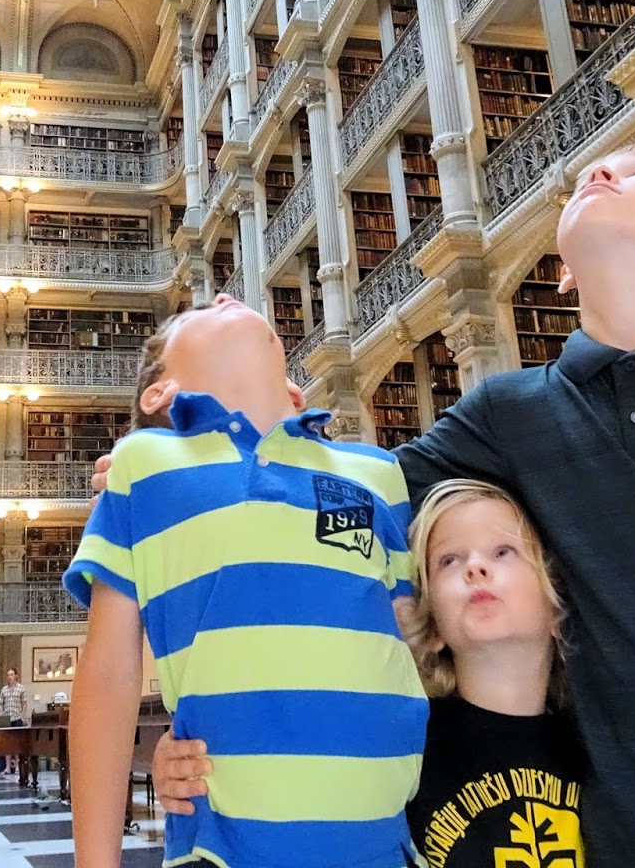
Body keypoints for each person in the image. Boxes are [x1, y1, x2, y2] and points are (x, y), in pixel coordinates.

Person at [98, 145, 635, 868]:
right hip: (628, 839)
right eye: (586, 177)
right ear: (562, 270)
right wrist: (183, 472)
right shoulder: (509, 415)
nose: (597, 172)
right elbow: (320, 517)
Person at [65, 295, 427, 868]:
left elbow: (412, 641)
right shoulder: (143, 465)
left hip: (385, 844)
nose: (224, 297)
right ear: (159, 394)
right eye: (199, 313)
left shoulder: (378, 472)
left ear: (294, 392)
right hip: (225, 847)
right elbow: (108, 671)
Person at [155, 478, 585, 868]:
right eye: (449, 560)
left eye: (503, 551)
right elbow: (281, 751)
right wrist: (180, 760)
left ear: (556, 606)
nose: (475, 567)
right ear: (431, 626)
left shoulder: (597, 741)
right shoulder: (394, 735)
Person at [0, 667, 27, 778]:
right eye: (8, 675)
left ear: (16, 676)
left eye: (11, 675)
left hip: (17, 718)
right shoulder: (4, 689)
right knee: (8, 744)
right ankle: (8, 767)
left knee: (17, 743)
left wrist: (22, 716)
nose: (9, 677)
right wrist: (1, 715)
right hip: (7, 719)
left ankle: (18, 766)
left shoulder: (21, 688)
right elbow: (0, 703)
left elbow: (24, 703)